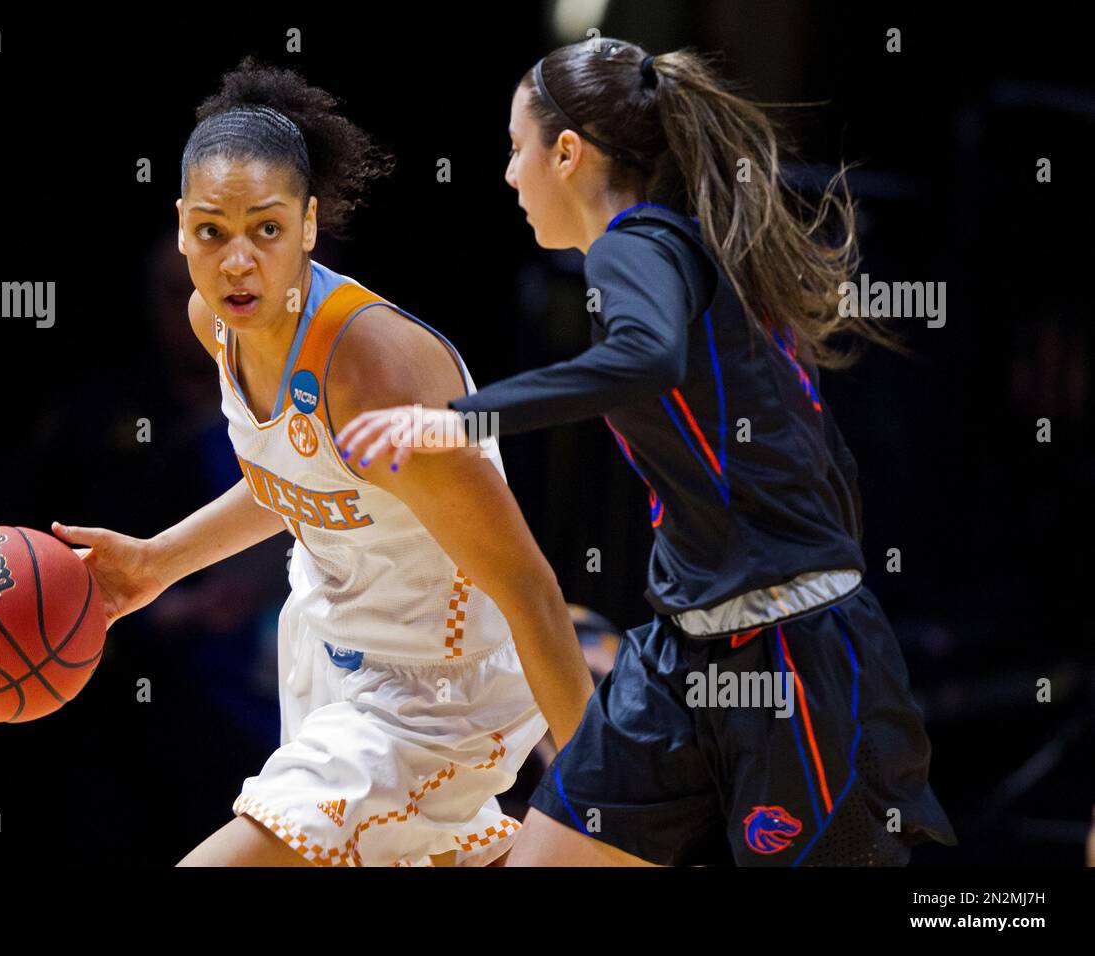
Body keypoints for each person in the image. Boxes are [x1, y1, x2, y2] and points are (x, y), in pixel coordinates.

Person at [338, 39, 958, 866]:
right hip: (681, 656)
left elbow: (646, 358)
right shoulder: (682, 255)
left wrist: (462, 418)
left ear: (567, 153)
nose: (508, 174)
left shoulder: (638, 246)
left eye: (516, 148)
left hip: (791, 655)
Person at [52, 56, 593, 867]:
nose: (238, 261)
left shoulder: (375, 371)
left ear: (308, 226)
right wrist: (157, 563)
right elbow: (301, 479)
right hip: (328, 655)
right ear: (180, 226)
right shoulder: (216, 323)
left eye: (266, 229)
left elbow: (531, 592)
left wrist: (603, 796)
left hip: (435, 692)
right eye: (211, 230)